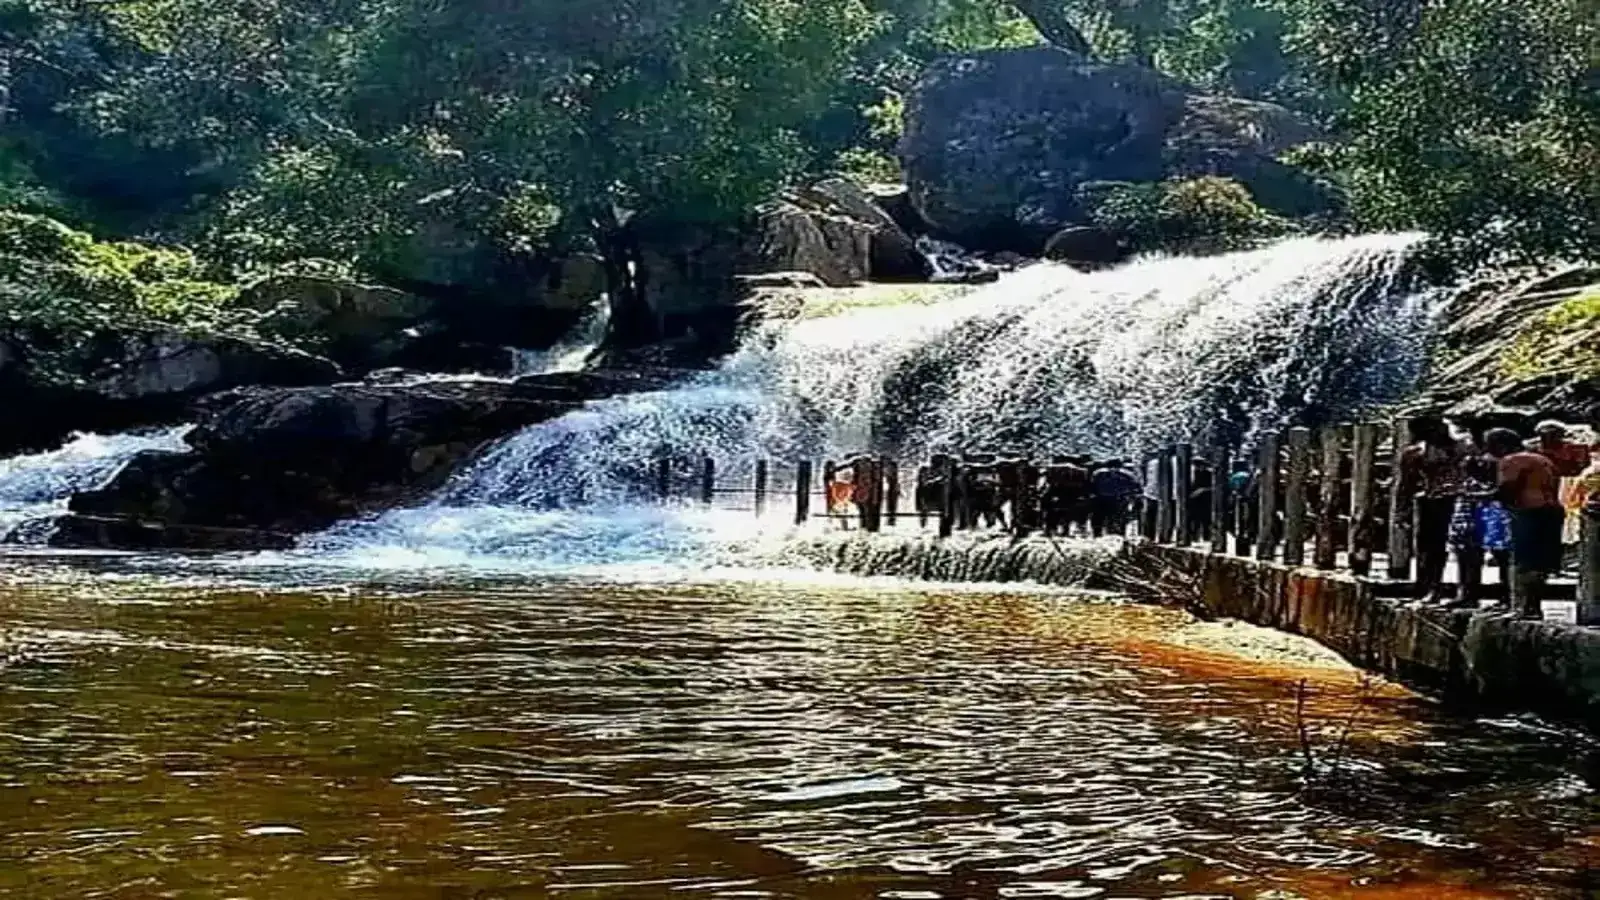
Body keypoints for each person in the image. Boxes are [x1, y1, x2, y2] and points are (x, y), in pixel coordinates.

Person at [1489, 428, 1564, 620]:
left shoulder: (1510, 460)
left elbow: (1507, 487)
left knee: (1522, 560)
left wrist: (1487, 497)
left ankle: (1520, 607)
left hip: (1528, 511)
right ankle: (1533, 606)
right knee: (1541, 562)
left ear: (1501, 445)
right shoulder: (1542, 459)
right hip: (1552, 511)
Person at [1397, 417, 1467, 604]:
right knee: (1430, 546)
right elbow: (1406, 483)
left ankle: (1464, 592)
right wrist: (1402, 510)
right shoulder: (1415, 453)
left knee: (1467, 548)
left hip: (1463, 500)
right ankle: (1429, 587)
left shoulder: (1464, 447)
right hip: (1433, 500)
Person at [1089, 459, 1140, 537]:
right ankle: (1118, 535)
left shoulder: (1098, 473)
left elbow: (1092, 486)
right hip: (1119, 500)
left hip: (1101, 499)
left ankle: (1097, 535)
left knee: (1098, 519)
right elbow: (1134, 487)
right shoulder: (1128, 474)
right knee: (1118, 519)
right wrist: (1131, 497)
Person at [1527, 420, 1591, 478]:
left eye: (1553, 435)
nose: (1548, 438)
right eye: (1544, 436)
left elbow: (1583, 466)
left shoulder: (1573, 448)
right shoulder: (1533, 448)